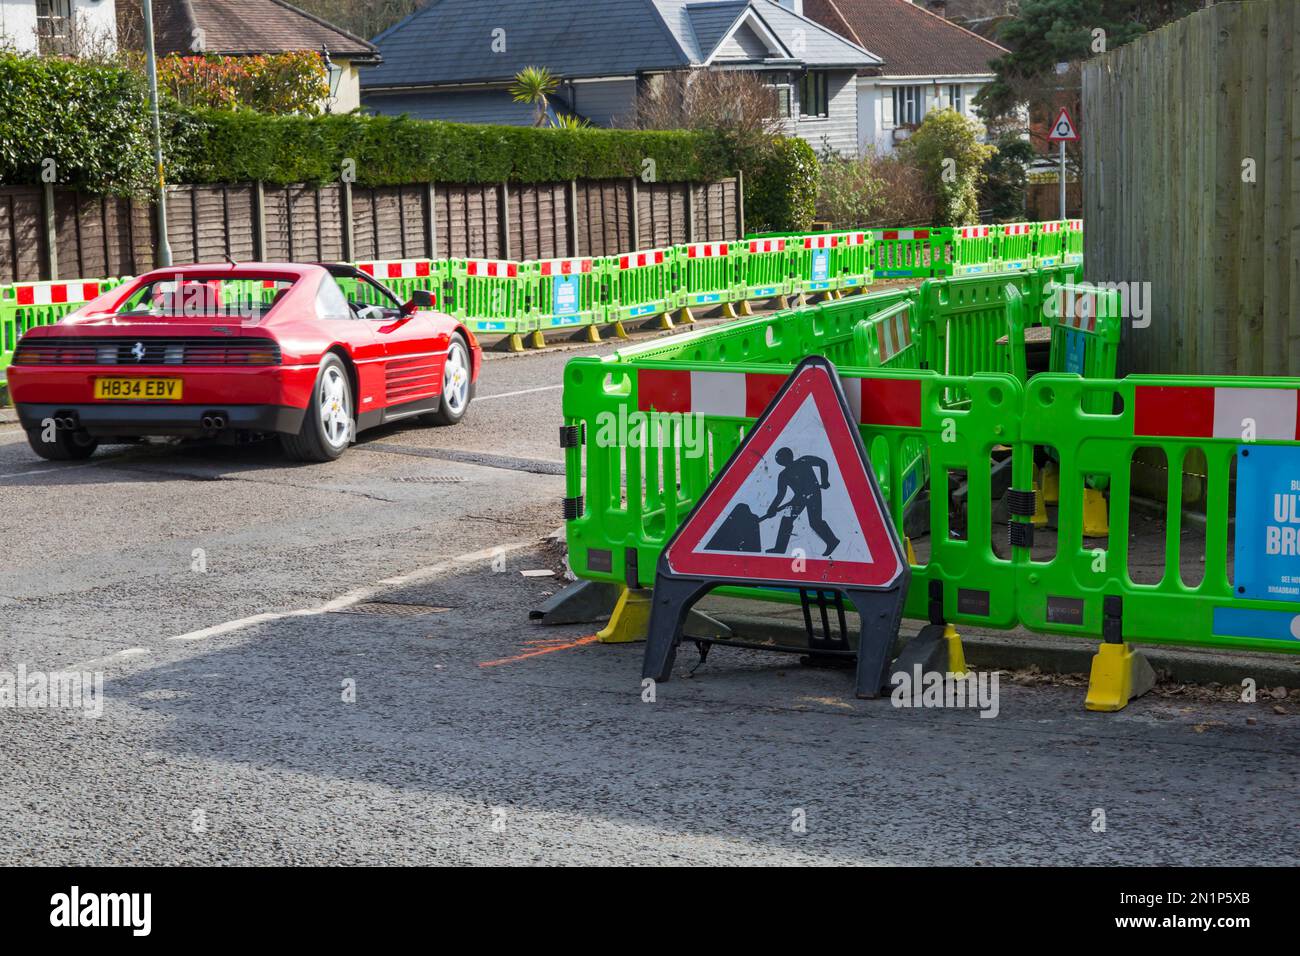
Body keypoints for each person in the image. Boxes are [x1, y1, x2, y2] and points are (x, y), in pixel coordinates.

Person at [761, 447, 840, 557]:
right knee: (786, 520)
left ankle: (832, 541)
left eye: (783, 458)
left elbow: (822, 463)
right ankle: (779, 548)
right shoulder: (783, 475)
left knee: (815, 522)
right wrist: (772, 508)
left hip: (813, 494)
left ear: (789, 456)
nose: (782, 461)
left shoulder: (804, 460)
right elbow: (781, 494)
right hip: (799, 498)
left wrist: (824, 480)